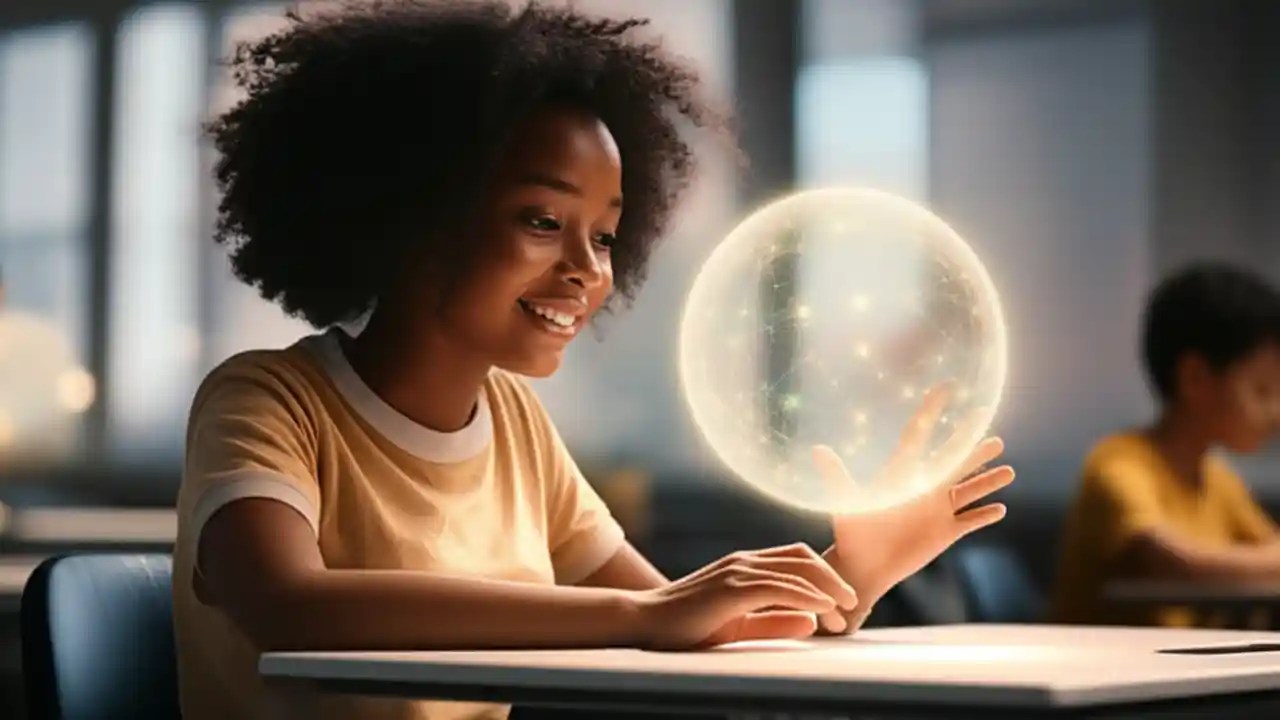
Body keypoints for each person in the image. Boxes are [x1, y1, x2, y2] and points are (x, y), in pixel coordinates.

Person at [176, 3, 1016, 719]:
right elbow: (286, 604)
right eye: (543, 221)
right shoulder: (268, 399)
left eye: (606, 235)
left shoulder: (514, 425)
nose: (589, 270)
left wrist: (848, 579)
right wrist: (642, 614)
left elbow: (687, 629)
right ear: (414, 213)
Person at [1052, 263, 1280, 627]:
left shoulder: (1218, 479)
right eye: (1262, 390)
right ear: (1195, 378)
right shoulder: (1118, 463)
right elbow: (1172, 561)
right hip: (1109, 673)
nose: (1276, 412)